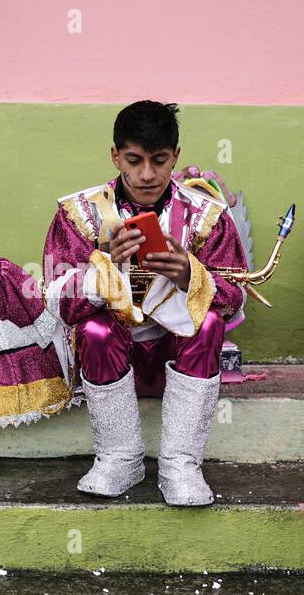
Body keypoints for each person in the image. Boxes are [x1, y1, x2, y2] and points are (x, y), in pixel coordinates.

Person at [41, 101, 249, 506]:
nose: (147, 175)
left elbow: (236, 294)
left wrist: (190, 275)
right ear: (115, 155)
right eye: (134, 160)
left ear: (176, 157)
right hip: (109, 362)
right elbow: (57, 300)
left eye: (159, 160)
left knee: (207, 325)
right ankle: (119, 458)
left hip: (178, 359)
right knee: (94, 328)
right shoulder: (80, 214)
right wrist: (106, 269)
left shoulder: (207, 216)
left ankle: (180, 464)